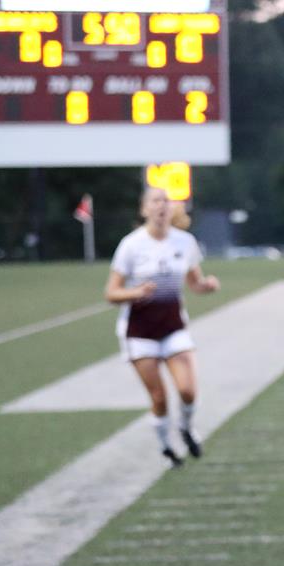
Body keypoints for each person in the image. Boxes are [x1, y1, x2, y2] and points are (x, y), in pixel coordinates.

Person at [105, 186, 219, 466]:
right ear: (144, 209)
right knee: (159, 398)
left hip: (173, 326)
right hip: (140, 332)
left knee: (188, 390)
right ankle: (165, 445)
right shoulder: (131, 245)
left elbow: (194, 283)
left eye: (166, 201)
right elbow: (111, 293)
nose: (162, 206)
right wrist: (136, 293)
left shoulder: (185, 242)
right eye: (156, 201)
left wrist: (206, 286)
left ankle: (186, 428)